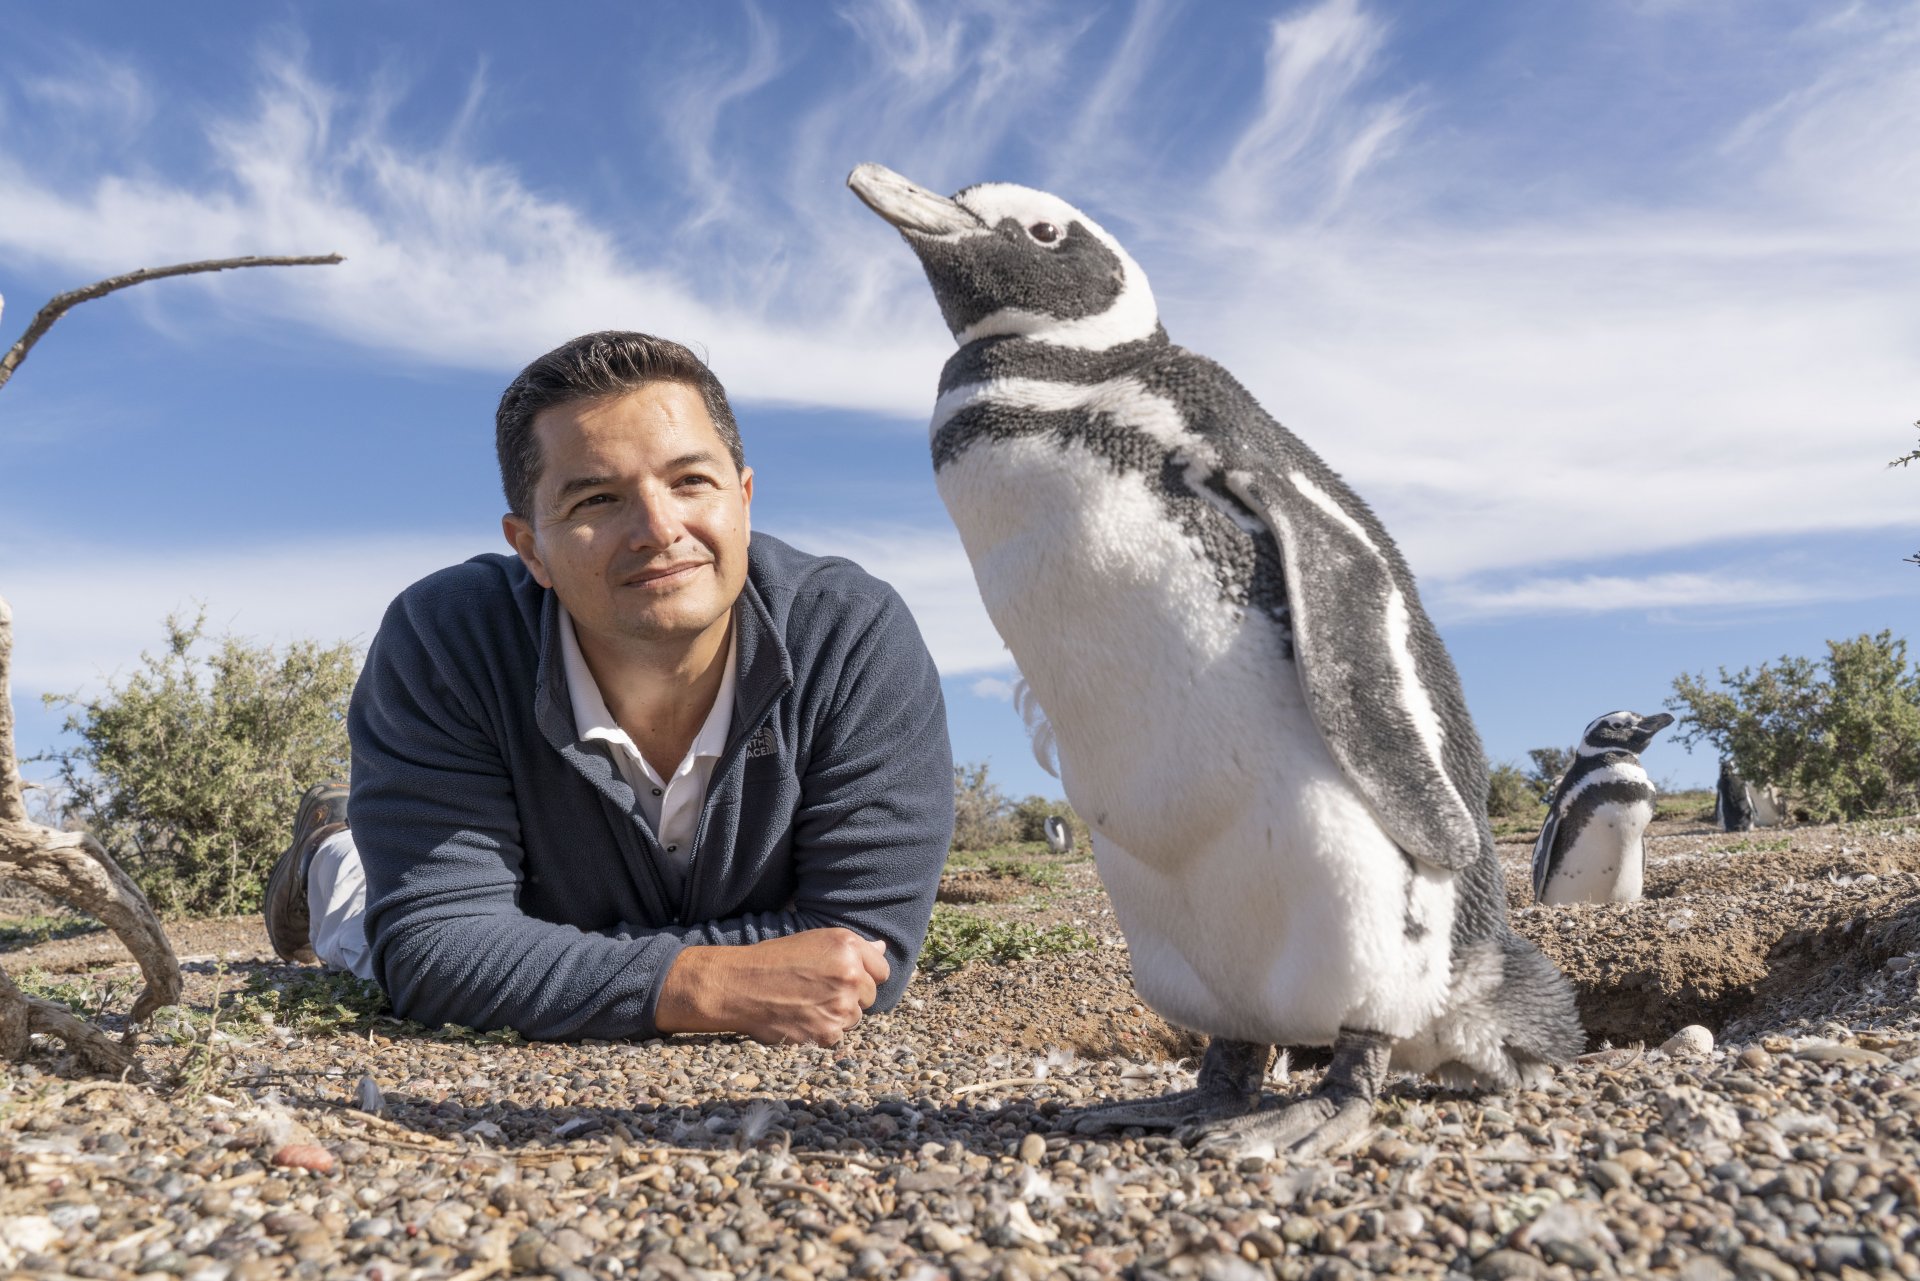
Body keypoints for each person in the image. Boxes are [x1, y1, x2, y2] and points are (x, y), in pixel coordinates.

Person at [262, 332, 954, 1047]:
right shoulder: (446, 639)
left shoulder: (852, 635)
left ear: (743, 500)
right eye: (597, 497)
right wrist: (701, 982)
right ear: (531, 548)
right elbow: (434, 947)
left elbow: (861, 950)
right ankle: (330, 856)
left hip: (534, 921)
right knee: (362, 929)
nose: (658, 529)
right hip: (480, 901)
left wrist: (533, 959)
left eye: (691, 482)